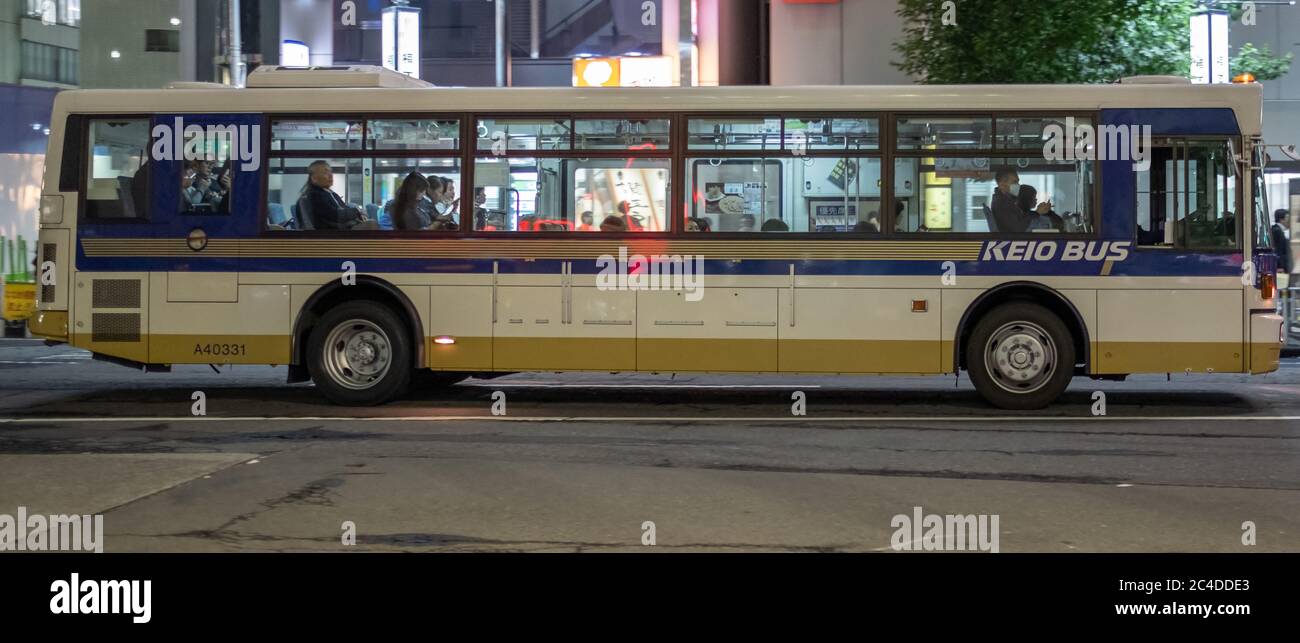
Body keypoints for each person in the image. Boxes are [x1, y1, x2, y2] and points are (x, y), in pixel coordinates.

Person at [299, 160, 367, 230]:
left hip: (341, 228)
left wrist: (357, 214)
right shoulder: (314, 196)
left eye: (330, 172)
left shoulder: (330, 193)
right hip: (330, 234)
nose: (330, 175)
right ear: (314, 178)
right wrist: (356, 211)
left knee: (370, 223)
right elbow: (336, 216)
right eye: (325, 172)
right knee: (371, 225)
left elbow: (344, 209)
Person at [989, 169, 1049, 233]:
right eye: (1015, 182)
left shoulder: (1006, 201)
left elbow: (1020, 219)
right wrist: (1037, 213)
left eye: (1018, 182)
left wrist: (1037, 212)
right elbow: (1018, 227)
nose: (1018, 185)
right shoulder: (1001, 204)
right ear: (1002, 185)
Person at [1273, 209, 1293, 285]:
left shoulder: (1277, 230)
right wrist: (1280, 266)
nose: (1289, 221)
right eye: (1288, 218)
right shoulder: (1277, 231)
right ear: (1281, 219)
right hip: (1280, 269)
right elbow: (1278, 250)